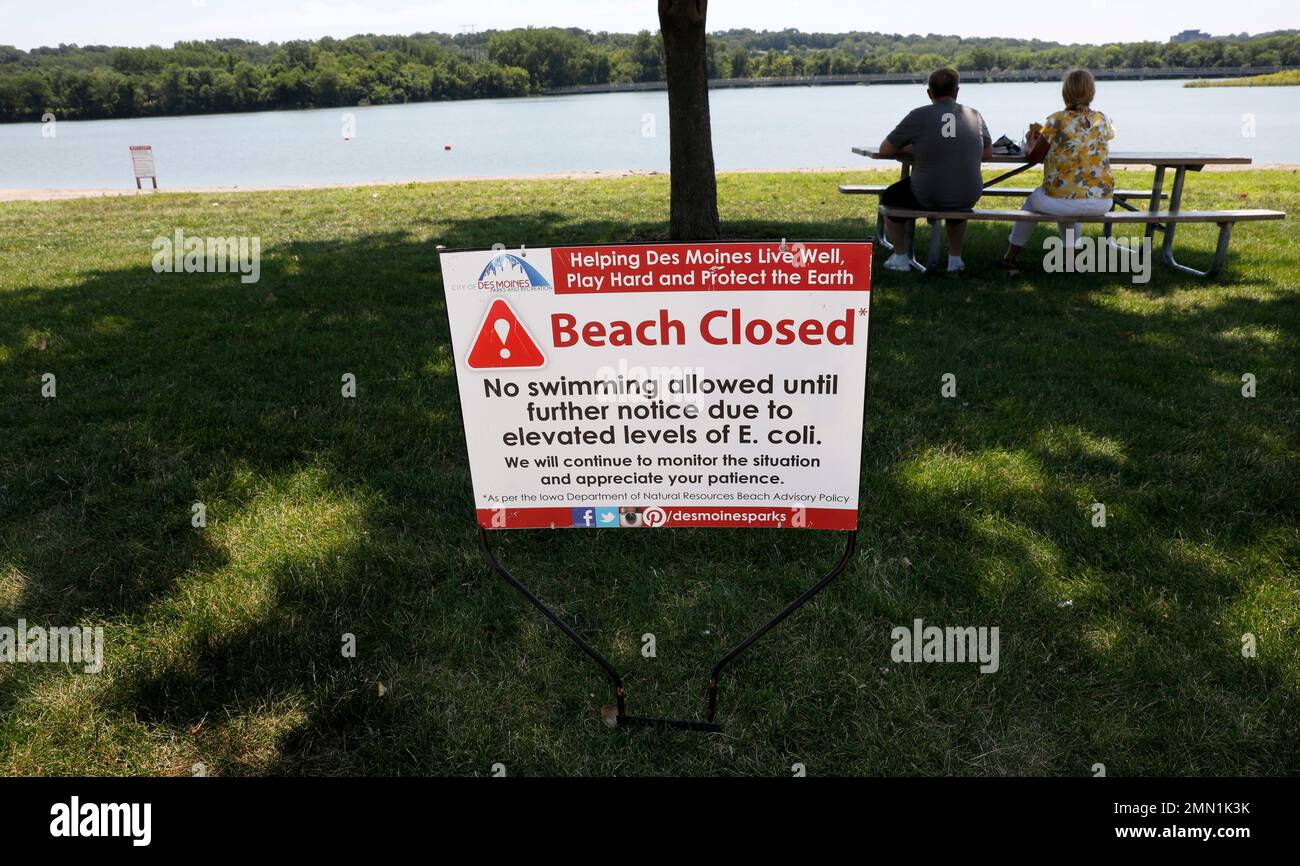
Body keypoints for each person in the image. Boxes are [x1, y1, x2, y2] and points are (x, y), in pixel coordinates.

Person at [878, 68, 993, 274]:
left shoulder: (918, 115)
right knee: (956, 196)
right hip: (969, 193)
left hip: (927, 193)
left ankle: (901, 256)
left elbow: (886, 149)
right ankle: (955, 259)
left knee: (890, 196)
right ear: (957, 91)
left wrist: (913, 147)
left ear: (929, 93)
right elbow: (987, 153)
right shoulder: (974, 115)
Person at [1003, 69, 1115, 274]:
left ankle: (1011, 256)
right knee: (1068, 203)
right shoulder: (1103, 119)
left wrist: (1030, 141)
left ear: (1065, 93)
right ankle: (1072, 260)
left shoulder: (1056, 120)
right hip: (1102, 200)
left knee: (1034, 203)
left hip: (1064, 199)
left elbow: (1033, 157)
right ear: (1092, 93)